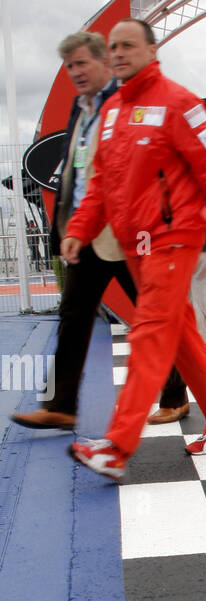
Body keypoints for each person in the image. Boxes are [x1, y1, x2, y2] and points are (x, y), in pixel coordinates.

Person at [62, 17, 206, 480]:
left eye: (130, 44)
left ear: (153, 51)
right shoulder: (111, 114)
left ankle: (116, 445)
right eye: (114, 46)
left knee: (149, 331)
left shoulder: (179, 103)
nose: (120, 52)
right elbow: (100, 185)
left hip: (176, 237)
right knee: (181, 336)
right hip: (137, 244)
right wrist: (80, 227)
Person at [11, 30, 135, 431]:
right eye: (69, 65)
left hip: (124, 233)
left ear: (104, 62)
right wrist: (66, 225)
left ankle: (175, 392)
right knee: (74, 316)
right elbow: (76, 173)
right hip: (84, 231)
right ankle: (61, 405)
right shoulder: (81, 111)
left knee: (155, 318)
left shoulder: (124, 103)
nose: (75, 71)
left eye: (82, 63)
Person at [148, 204, 206, 424]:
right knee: (182, 328)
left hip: (200, 249)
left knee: (194, 330)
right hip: (182, 250)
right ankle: (186, 403)